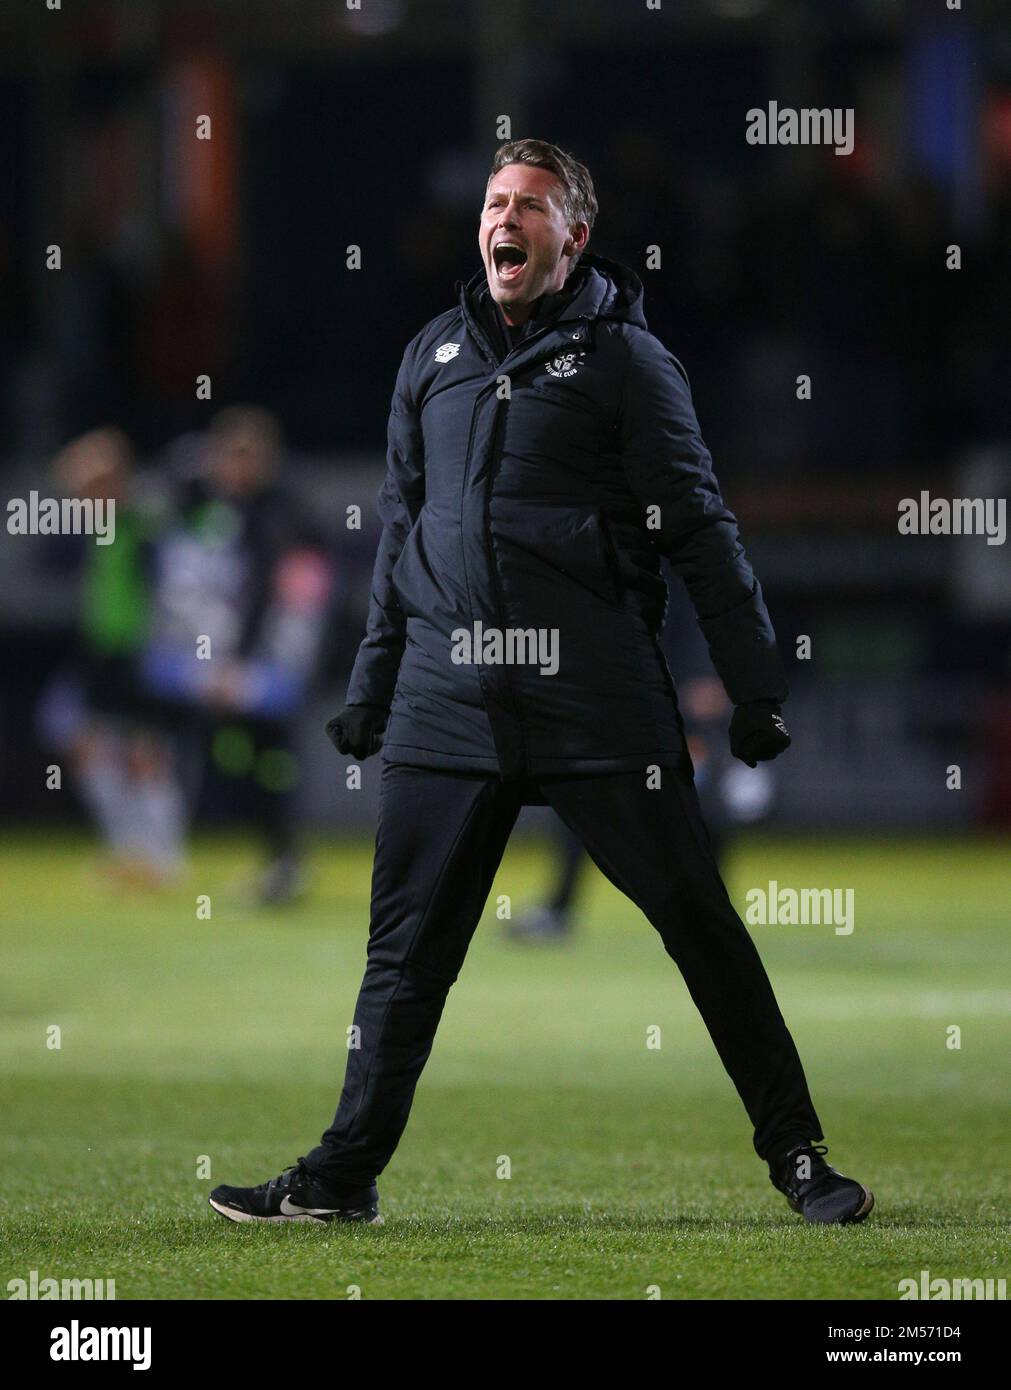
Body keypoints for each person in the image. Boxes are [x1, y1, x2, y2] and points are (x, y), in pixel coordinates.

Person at [210, 139, 873, 1228]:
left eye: (529, 206)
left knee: (700, 926)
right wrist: (375, 683)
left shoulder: (629, 360)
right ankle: (341, 1177)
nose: (502, 220)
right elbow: (403, 537)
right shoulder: (430, 357)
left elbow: (701, 528)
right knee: (403, 959)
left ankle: (799, 1155)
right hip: (446, 700)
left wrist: (754, 686)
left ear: (574, 235)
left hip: (595, 700)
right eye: (493, 202)